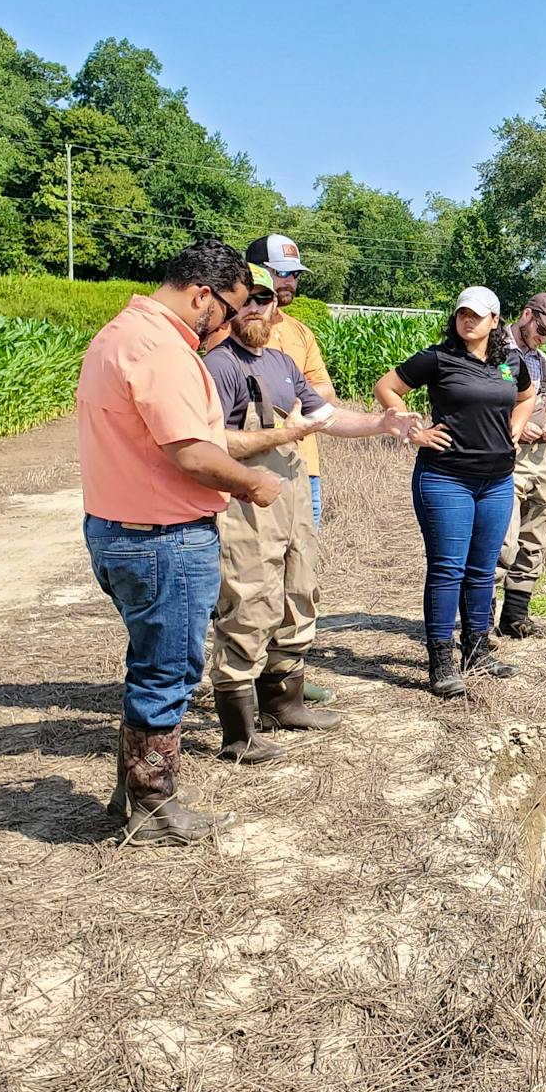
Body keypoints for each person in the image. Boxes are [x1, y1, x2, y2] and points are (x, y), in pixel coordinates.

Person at [77, 240, 279, 848]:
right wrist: (252, 483)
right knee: (168, 671)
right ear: (201, 295)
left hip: (121, 528)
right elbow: (191, 452)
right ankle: (152, 807)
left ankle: (128, 792)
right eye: (226, 310)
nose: (226, 324)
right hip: (162, 537)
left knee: (151, 662)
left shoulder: (120, 332)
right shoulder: (160, 348)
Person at [202, 266, 419, 762]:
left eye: (265, 299)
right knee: (250, 602)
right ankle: (239, 734)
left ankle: (284, 704)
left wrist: (381, 423)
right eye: (248, 300)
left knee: (300, 592)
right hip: (245, 503)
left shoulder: (281, 361)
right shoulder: (219, 366)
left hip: (293, 496)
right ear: (232, 307)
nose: (257, 307)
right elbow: (211, 444)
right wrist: (280, 435)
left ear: (276, 306)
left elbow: (324, 417)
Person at [373, 286, 536, 698]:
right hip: (446, 478)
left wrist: (517, 426)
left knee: (483, 569)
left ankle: (477, 649)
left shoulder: (510, 362)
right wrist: (415, 431)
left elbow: (527, 395)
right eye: (463, 313)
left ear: (495, 321)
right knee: (448, 569)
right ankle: (441, 660)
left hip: (497, 480)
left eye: (478, 315)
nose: (469, 320)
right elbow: (386, 387)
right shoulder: (439, 357)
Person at [244, 234, 336, 525]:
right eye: (282, 272)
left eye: (295, 274)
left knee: (304, 560)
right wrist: (299, 396)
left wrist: (282, 395)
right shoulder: (237, 328)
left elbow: (327, 393)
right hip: (255, 469)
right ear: (254, 272)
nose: (291, 281)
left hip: (305, 466)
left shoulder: (300, 331)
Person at [495, 292, 546, 639]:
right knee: (501, 541)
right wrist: (517, 428)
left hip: (541, 461)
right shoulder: (496, 350)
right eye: (543, 329)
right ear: (527, 315)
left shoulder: (544, 362)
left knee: (534, 536)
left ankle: (515, 615)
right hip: (507, 458)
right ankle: (479, 624)